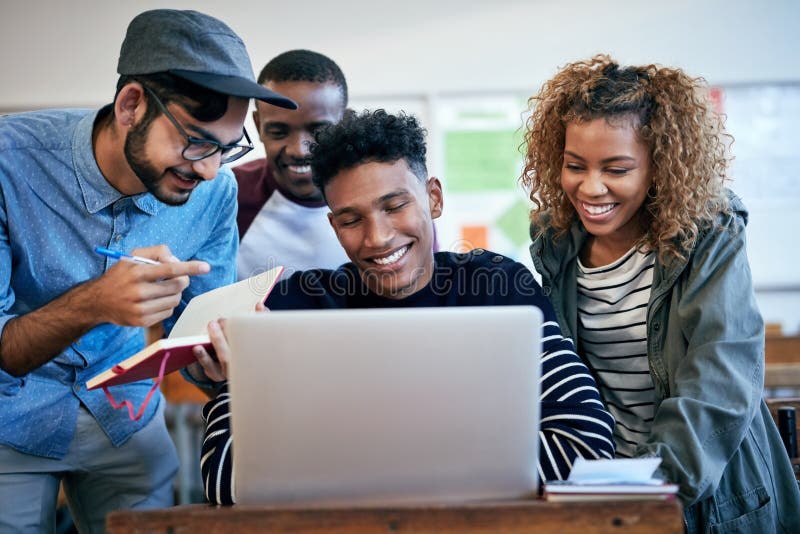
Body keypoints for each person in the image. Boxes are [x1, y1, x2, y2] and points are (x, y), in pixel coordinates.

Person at [193, 109, 615, 505]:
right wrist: (233, 384)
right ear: (334, 226)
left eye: (395, 206)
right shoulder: (293, 308)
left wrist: (342, 470)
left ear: (433, 198)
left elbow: (587, 445)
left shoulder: (499, 287)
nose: (377, 237)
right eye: (351, 220)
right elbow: (226, 479)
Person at [0, 9, 296, 532]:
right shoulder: (11, 162)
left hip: (123, 414)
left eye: (227, 148)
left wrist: (219, 358)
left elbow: (196, 333)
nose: (209, 169)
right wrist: (96, 301)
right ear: (131, 105)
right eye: (197, 140)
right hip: (10, 417)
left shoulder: (215, 192)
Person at [522, 54, 800, 532]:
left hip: (702, 496)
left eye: (616, 169)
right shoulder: (556, 242)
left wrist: (647, 490)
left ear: (659, 167)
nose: (590, 187)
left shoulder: (707, 234)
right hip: (603, 491)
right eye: (575, 165)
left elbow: (721, 376)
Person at [235, 50, 350, 280]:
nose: (299, 150)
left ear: (344, 123)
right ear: (258, 125)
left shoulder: (378, 195)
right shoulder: (227, 197)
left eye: (319, 131)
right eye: (279, 132)